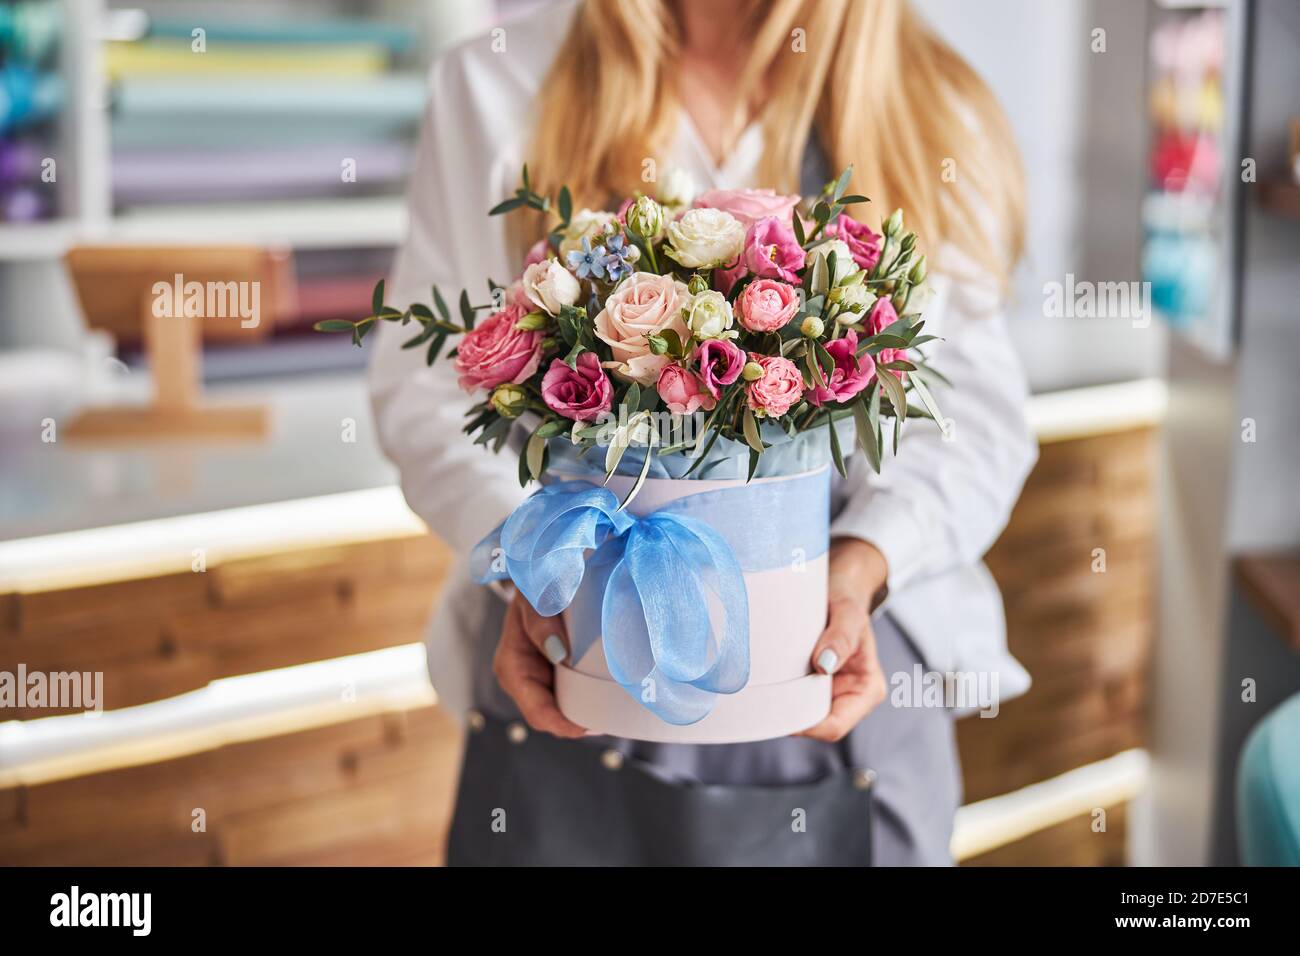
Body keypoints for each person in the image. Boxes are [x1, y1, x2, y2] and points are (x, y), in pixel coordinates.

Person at [369, 0, 1036, 866]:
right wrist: (535, 573)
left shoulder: (931, 104)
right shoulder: (495, 84)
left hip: (840, 686)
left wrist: (866, 563)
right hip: (578, 667)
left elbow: (974, 421)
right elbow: (426, 396)